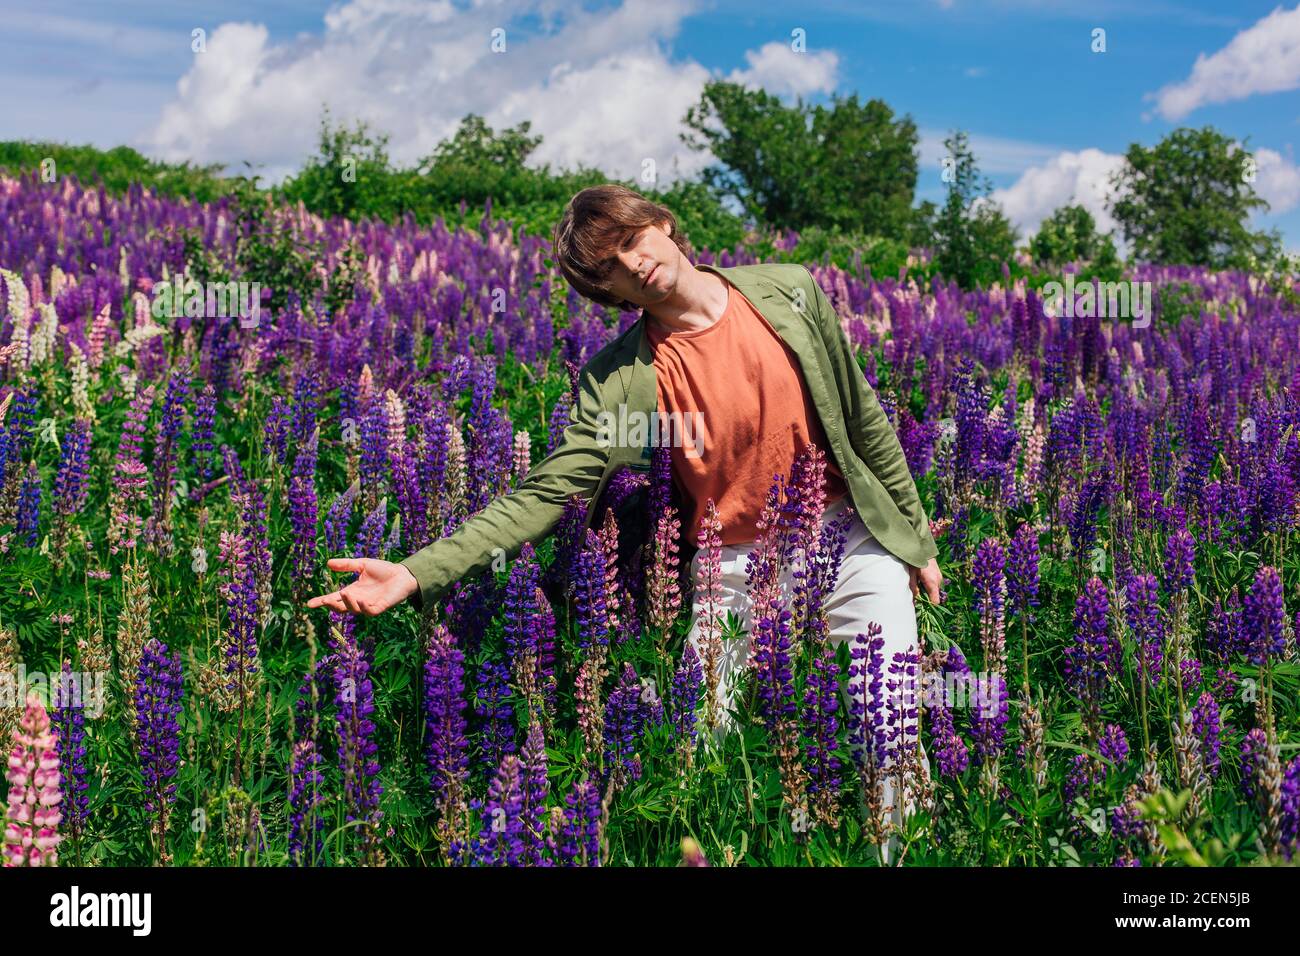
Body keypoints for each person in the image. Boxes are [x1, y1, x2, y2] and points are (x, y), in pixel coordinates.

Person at [305, 183, 943, 751]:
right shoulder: (617, 380)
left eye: (634, 241)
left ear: (662, 225)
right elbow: (547, 493)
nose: (635, 265)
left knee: (887, 725)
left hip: (849, 535)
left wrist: (915, 541)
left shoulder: (788, 290)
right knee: (705, 748)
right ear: (606, 292)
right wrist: (416, 574)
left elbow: (863, 418)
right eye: (610, 269)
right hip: (733, 563)